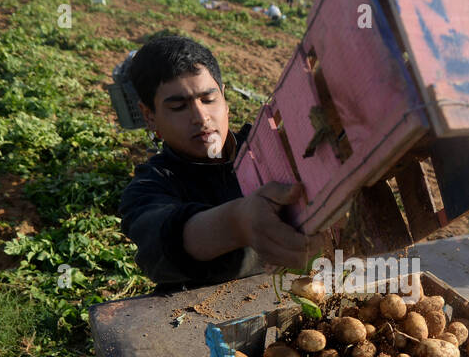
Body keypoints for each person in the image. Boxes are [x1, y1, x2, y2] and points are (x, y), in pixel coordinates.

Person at [119, 35, 321, 287]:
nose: (201, 118)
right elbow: (159, 241)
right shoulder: (149, 186)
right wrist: (238, 223)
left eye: (208, 99)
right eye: (179, 107)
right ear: (149, 117)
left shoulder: (270, 146)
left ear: (224, 99)